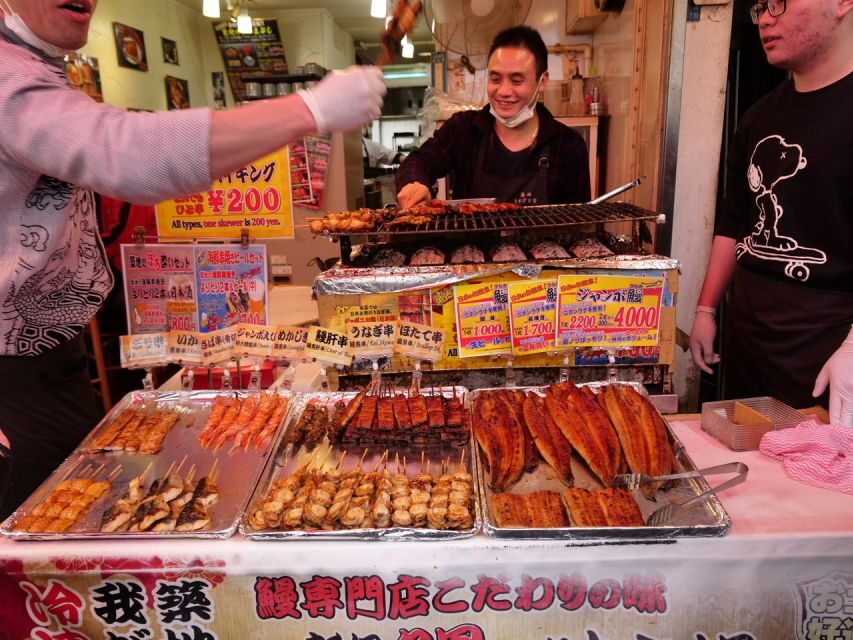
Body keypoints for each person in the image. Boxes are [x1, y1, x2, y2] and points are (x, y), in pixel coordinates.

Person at [0, 0, 386, 518]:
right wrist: (308, 110)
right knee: (33, 551)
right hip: (12, 376)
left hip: (49, 359)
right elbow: (122, 151)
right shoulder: (9, 76)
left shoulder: (39, 67)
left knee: (82, 520)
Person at [688, 0, 852, 424]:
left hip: (824, 343)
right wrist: (706, 311)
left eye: (779, 2)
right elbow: (734, 217)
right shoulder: (759, 115)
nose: (763, 17)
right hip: (748, 334)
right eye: (760, 5)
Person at [395, 25, 590, 208]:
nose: (503, 91)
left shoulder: (569, 147)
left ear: (542, 81)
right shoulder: (463, 130)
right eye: (495, 79)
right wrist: (415, 183)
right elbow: (420, 160)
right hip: (471, 245)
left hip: (545, 245)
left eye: (516, 80)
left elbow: (581, 227)